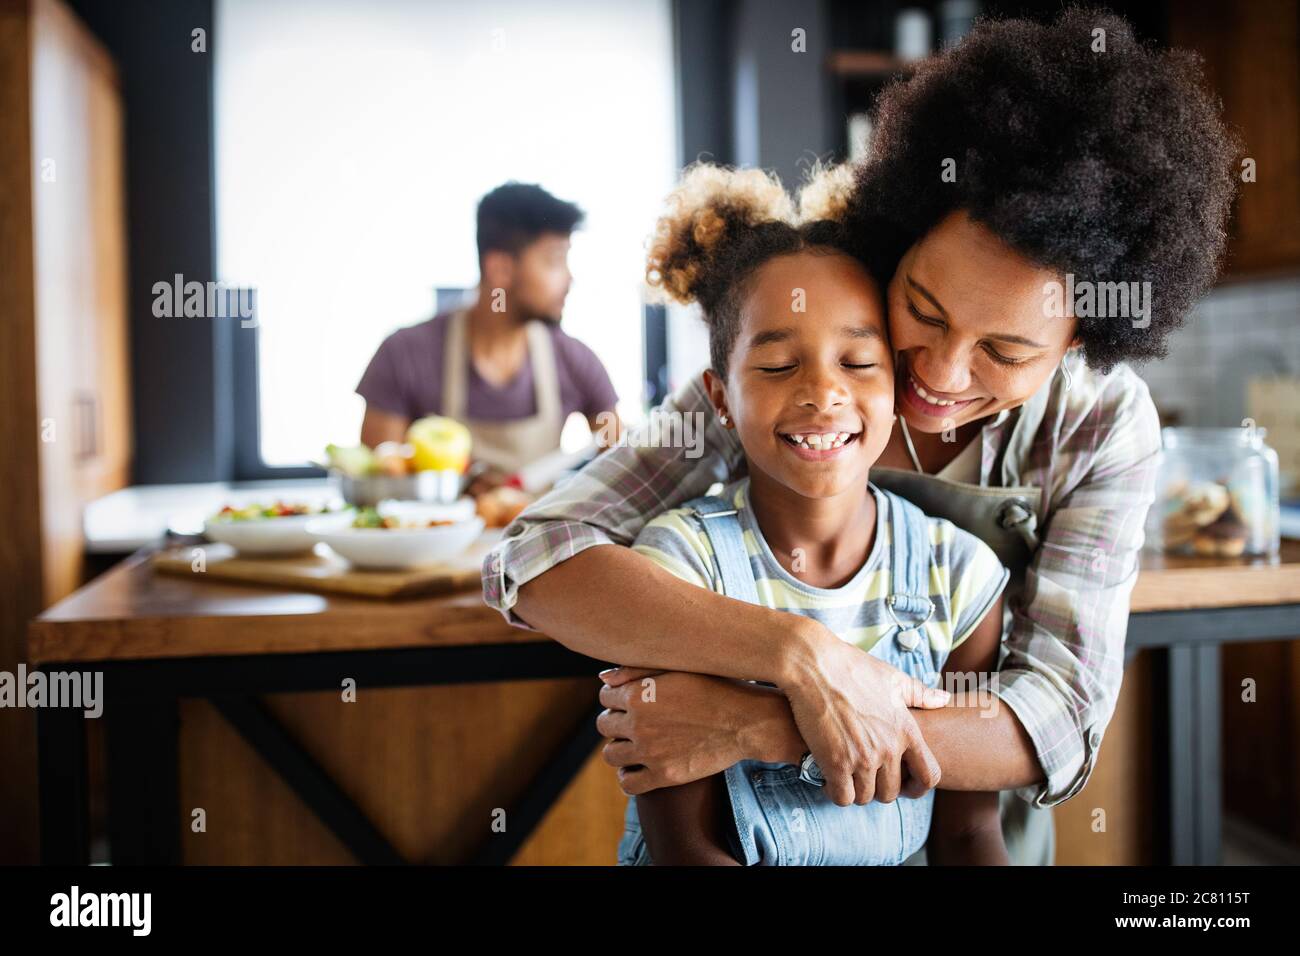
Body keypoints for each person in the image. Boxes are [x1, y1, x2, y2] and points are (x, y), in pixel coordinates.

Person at [482, 8, 1239, 864]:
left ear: (1080, 344)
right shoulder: (809, 360)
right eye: (921, 308)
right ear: (902, 236)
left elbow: (1058, 719)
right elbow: (538, 560)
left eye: (1005, 350)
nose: (942, 374)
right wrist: (801, 656)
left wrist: (766, 722)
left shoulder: (1099, 420)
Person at [616, 163, 1010, 865]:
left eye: (858, 362)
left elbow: (969, 834)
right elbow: (687, 850)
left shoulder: (961, 576)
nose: (823, 393)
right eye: (775, 368)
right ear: (720, 398)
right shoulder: (680, 568)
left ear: (900, 383)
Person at [356, 182, 621, 485]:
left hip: (539, 532)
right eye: (554, 260)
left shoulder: (576, 360)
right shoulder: (404, 355)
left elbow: (621, 464)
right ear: (500, 270)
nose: (569, 278)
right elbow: (378, 483)